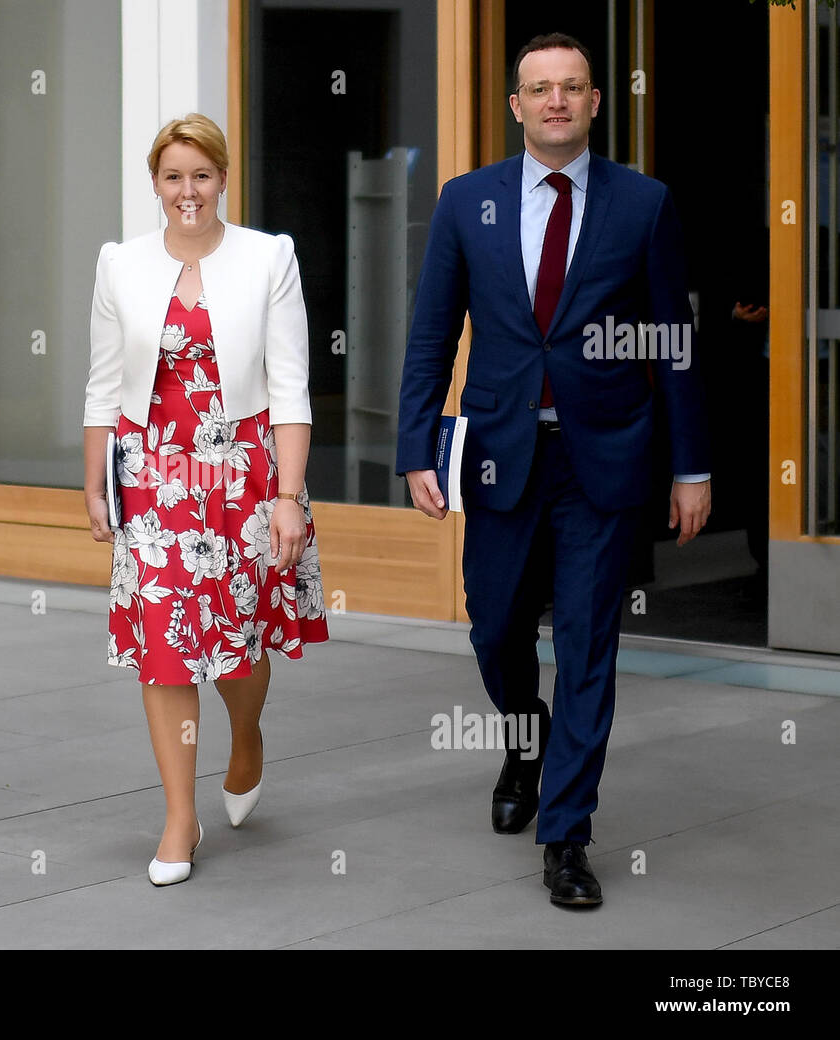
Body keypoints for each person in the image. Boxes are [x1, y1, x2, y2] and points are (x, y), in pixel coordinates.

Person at [396, 35, 711, 907]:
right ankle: (523, 738)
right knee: (495, 629)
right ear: (517, 106)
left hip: (602, 460)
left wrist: (692, 466)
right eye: (541, 89)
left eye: (573, 87)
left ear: (596, 101)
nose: (557, 102)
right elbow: (431, 337)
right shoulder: (468, 203)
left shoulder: (643, 204)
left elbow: (671, 344)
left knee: (587, 645)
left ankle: (566, 834)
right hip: (500, 455)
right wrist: (416, 446)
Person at [83, 114, 329, 886]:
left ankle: (246, 733)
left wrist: (288, 496)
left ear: (222, 178)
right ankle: (180, 817)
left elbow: (290, 386)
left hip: (246, 472)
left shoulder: (268, 256)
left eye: (201, 175)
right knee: (165, 641)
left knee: (238, 638)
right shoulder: (120, 263)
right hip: (153, 472)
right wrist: (95, 481)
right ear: (154, 184)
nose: (187, 191)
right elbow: (102, 386)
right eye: (172, 176)